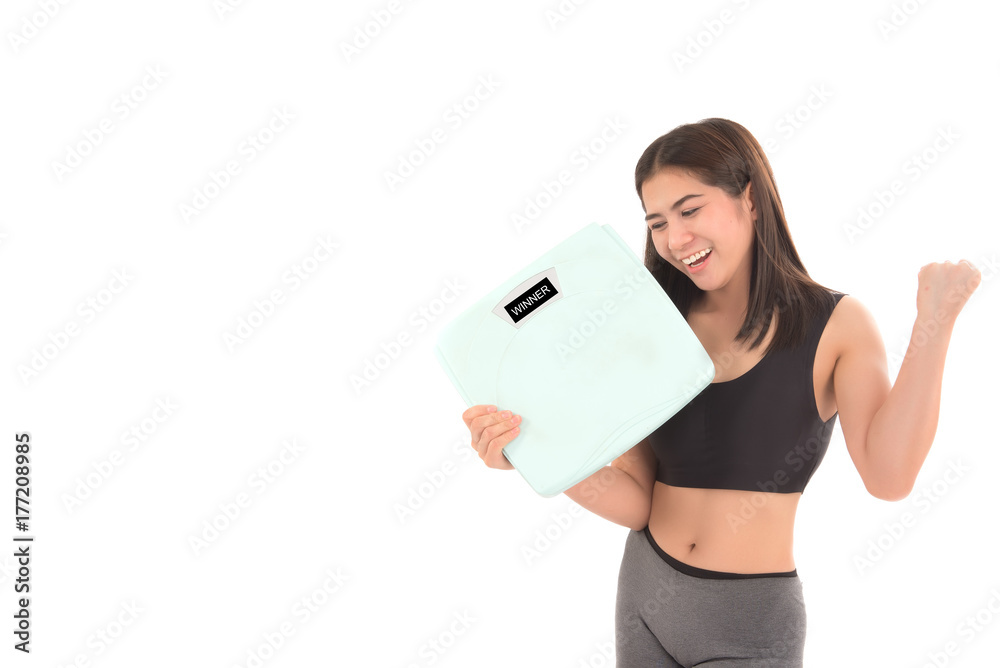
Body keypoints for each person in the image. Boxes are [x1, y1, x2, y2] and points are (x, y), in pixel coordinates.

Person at [460, 118, 981, 667]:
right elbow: (638, 501)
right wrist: (534, 452)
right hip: (645, 592)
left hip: (749, 622)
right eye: (657, 222)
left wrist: (935, 323)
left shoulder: (835, 324)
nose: (674, 239)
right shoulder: (653, 325)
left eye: (689, 210)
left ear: (750, 199)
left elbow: (889, 478)